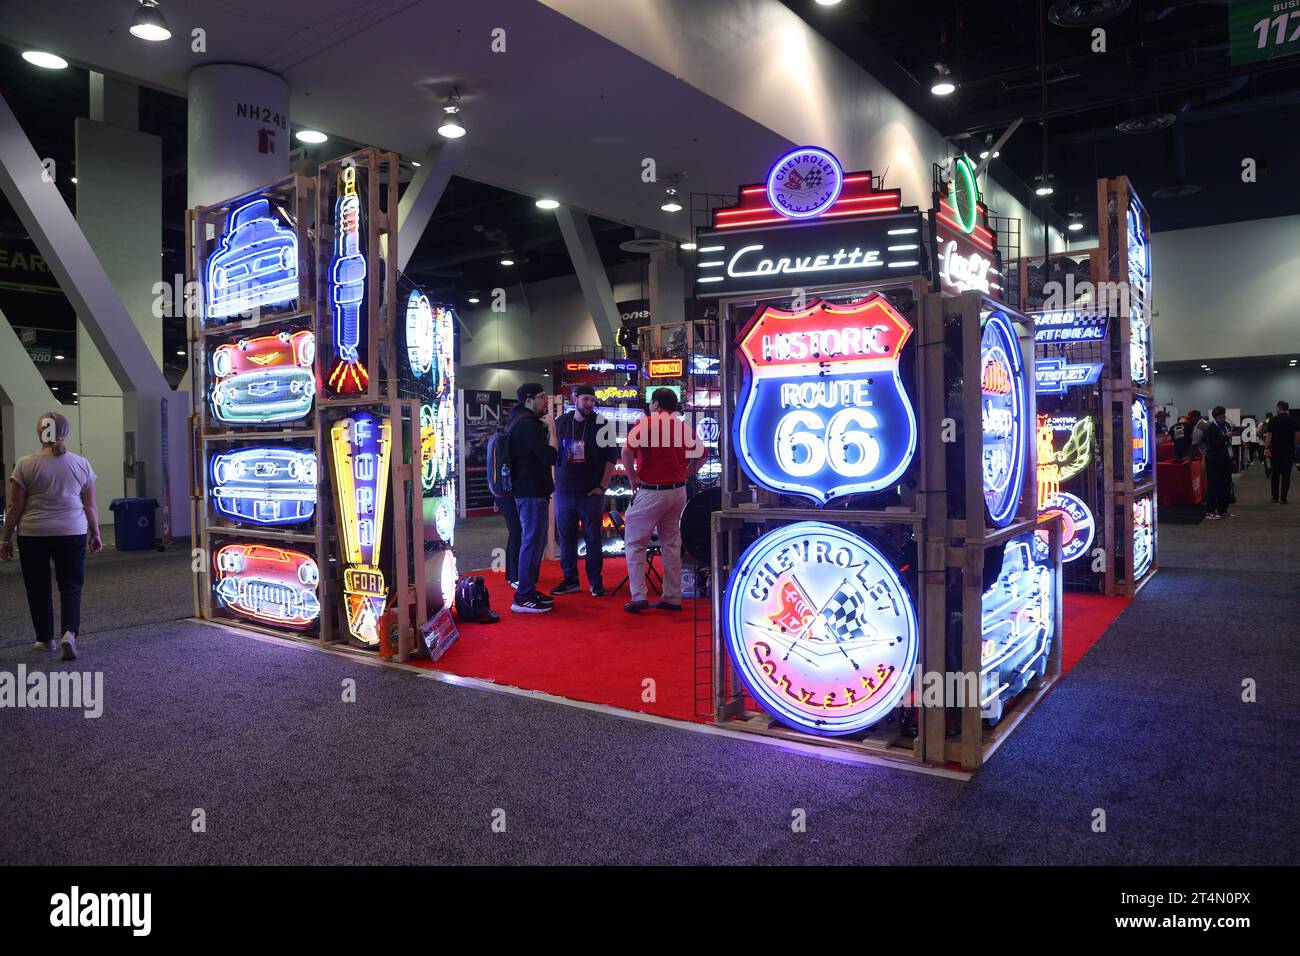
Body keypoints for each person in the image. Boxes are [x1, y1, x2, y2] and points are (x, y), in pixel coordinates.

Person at [0, 412, 102, 659]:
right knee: (71, 585)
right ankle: (69, 633)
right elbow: (90, 506)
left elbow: (14, 507)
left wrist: (5, 538)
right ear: (65, 433)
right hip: (72, 531)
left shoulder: (25, 464)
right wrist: (95, 533)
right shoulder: (81, 464)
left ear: (39, 433)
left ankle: (45, 639)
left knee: (37, 586)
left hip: (34, 534)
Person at [620, 387, 703, 613]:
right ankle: (673, 596)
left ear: (655, 404)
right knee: (671, 543)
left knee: (635, 543)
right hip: (677, 491)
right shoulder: (682, 426)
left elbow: (626, 451)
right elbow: (703, 454)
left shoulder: (646, 424)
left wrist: (633, 478)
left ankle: (639, 596)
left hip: (650, 490)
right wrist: (686, 474)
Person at [551, 385, 617, 597]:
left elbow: (610, 458)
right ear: (575, 398)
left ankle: (596, 583)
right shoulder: (561, 422)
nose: (589, 403)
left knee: (593, 539)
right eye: (586, 399)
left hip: (591, 493)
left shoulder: (602, 424)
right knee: (566, 538)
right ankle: (570, 580)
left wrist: (602, 486)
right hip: (564, 491)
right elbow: (553, 454)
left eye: (592, 400)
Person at [504, 383, 558, 613]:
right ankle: (523, 596)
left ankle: (528, 589)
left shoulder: (517, 421)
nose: (546, 401)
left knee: (534, 542)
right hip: (531, 492)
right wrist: (553, 432)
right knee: (532, 542)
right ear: (528, 399)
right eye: (542, 397)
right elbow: (549, 457)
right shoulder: (527, 425)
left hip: (529, 491)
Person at [1195, 406, 1234, 519]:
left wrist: (1228, 437)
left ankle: (1223, 509)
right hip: (1213, 459)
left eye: (1224, 416)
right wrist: (1226, 437)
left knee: (1225, 485)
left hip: (1224, 458)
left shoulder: (1226, 425)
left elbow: (1226, 442)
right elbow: (1213, 444)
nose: (1223, 418)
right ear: (1215, 417)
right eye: (1221, 417)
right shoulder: (1210, 428)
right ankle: (1210, 510)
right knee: (1214, 485)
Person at [1265, 400, 1297, 504]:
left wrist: (1266, 448)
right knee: (1286, 475)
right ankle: (1283, 498)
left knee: (1275, 474)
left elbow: (1269, 435)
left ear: (1279, 408)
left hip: (1275, 450)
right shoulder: (1293, 420)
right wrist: (1295, 447)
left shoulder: (1273, 420)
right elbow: (1298, 436)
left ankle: (1275, 497)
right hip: (1288, 450)